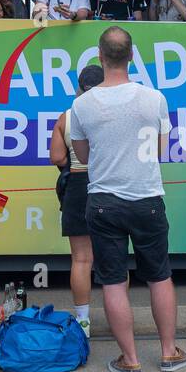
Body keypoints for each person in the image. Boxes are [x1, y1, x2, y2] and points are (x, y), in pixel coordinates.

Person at [70, 26, 186, 372]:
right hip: (147, 198)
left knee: (112, 280)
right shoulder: (154, 98)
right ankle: (169, 352)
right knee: (160, 276)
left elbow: (82, 155)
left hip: (104, 200)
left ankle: (130, 359)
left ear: (100, 55)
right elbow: (160, 149)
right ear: (133, 55)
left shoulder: (82, 104)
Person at [50, 64, 106, 336]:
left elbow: (57, 158)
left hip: (78, 186)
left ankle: (83, 321)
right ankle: (117, 310)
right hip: (109, 184)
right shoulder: (114, 111)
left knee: (81, 259)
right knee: (113, 255)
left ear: (78, 87)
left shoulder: (67, 116)